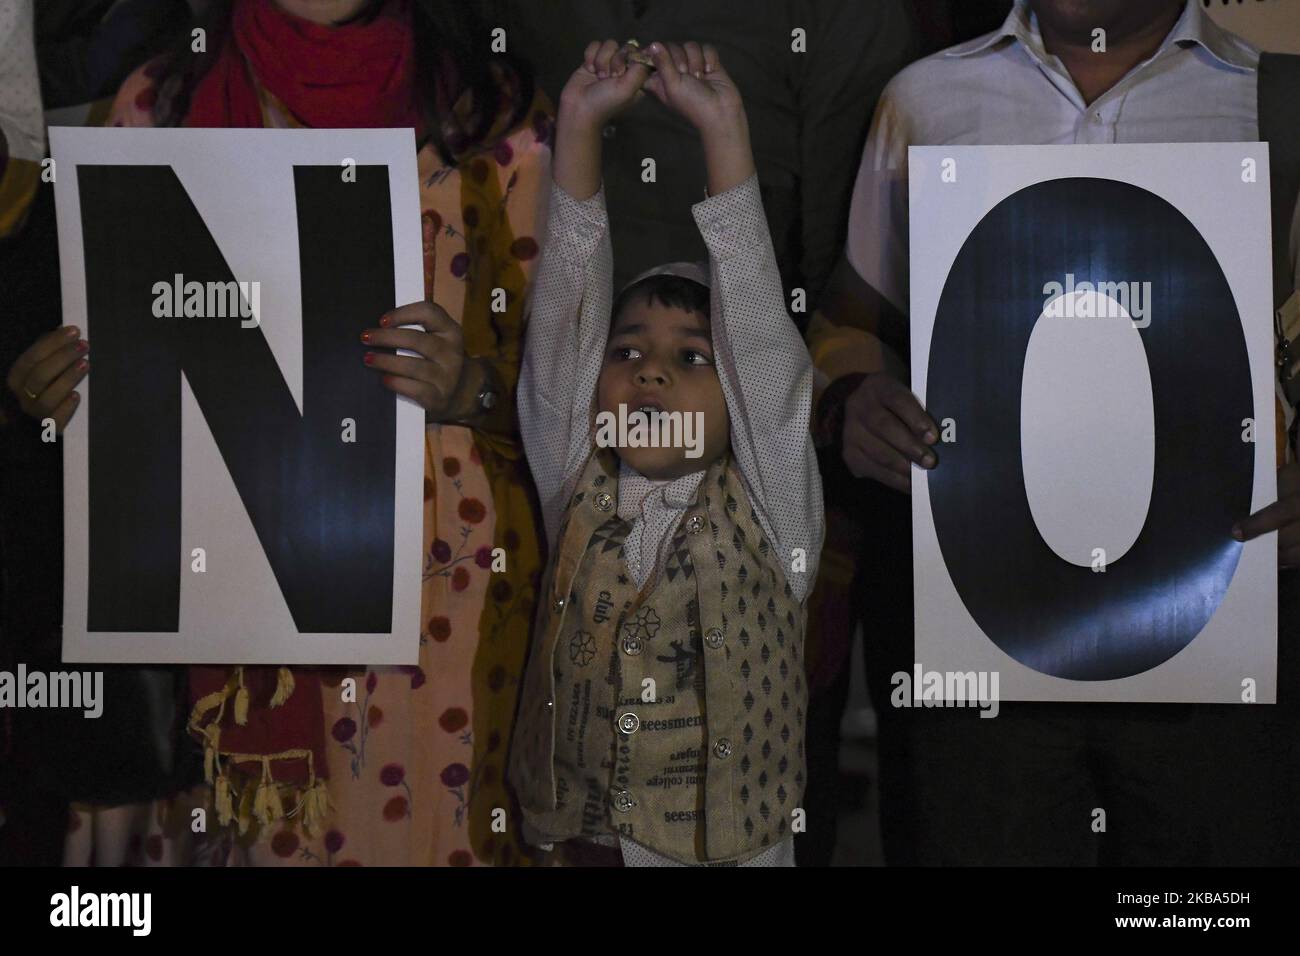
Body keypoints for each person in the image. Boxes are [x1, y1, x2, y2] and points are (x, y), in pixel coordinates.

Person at [4, 0, 552, 867]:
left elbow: (570, 390)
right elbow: (115, 370)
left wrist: (471, 390)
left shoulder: (491, 119)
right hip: (203, 606)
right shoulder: (158, 105)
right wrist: (60, 394)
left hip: (433, 617)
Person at [808, 0, 1300, 865]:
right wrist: (854, 394)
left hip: (1224, 640)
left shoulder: (1277, 102)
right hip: (981, 663)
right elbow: (855, 317)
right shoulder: (924, 98)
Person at [507, 38, 824, 867]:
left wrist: (725, 133)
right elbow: (567, 309)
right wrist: (578, 124)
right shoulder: (575, 473)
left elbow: (758, 333)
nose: (650, 368)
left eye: (691, 357)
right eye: (628, 351)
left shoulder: (774, 504)